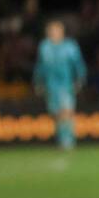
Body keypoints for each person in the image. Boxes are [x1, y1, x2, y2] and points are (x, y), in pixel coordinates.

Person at [33, 20, 85, 150]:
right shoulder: (44, 47)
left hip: (66, 85)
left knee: (66, 112)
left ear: (62, 32)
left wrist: (80, 78)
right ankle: (62, 139)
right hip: (51, 87)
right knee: (56, 114)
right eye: (51, 31)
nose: (53, 33)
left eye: (56, 30)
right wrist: (38, 82)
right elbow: (40, 66)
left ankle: (68, 140)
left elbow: (78, 64)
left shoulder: (70, 47)